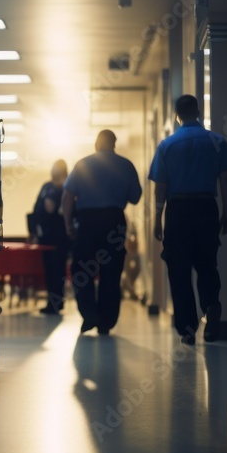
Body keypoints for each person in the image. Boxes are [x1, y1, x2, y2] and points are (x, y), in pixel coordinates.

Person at [148, 94, 227, 345]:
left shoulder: (167, 145)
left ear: (177, 115)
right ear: (198, 111)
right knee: (207, 263)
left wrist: (156, 218)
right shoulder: (218, 142)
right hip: (207, 207)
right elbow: (226, 183)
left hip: (178, 210)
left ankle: (187, 328)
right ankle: (211, 306)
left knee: (179, 268)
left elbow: (160, 188)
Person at [62, 130, 142, 335]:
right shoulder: (126, 165)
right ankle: (106, 322)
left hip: (87, 221)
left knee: (82, 269)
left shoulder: (82, 164)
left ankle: (89, 315)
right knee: (111, 271)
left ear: (96, 144)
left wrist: (68, 224)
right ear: (114, 144)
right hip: (114, 221)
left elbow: (68, 196)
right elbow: (135, 198)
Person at [30, 159, 70, 314]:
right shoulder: (48, 187)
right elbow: (39, 209)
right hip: (49, 237)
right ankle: (54, 302)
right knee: (52, 271)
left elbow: (50, 208)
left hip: (57, 237)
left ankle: (55, 303)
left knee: (56, 271)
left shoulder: (63, 188)